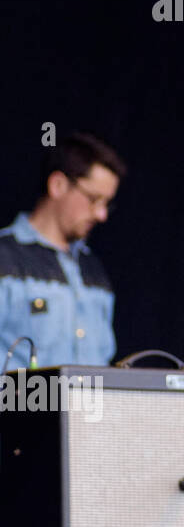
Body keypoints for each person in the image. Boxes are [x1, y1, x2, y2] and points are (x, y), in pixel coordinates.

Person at [0, 132, 125, 369]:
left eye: (107, 203)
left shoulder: (94, 269)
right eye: (93, 199)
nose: (102, 215)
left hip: (92, 406)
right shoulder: (4, 257)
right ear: (57, 185)